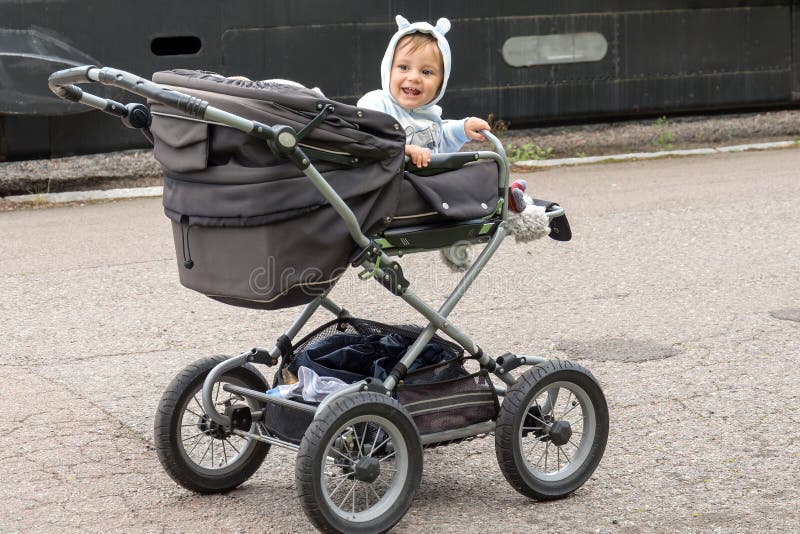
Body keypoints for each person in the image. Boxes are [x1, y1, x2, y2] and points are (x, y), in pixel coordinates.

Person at [357, 15, 526, 212]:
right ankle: (500, 196)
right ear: (388, 69)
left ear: (440, 83)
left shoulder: (429, 113)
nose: (414, 77)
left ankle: (505, 195)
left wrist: (463, 129)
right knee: (461, 181)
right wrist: (404, 150)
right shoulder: (376, 102)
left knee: (479, 169)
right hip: (396, 191)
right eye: (403, 67)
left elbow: (439, 141)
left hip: (433, 189)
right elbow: (366, 141)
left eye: (426, 72)